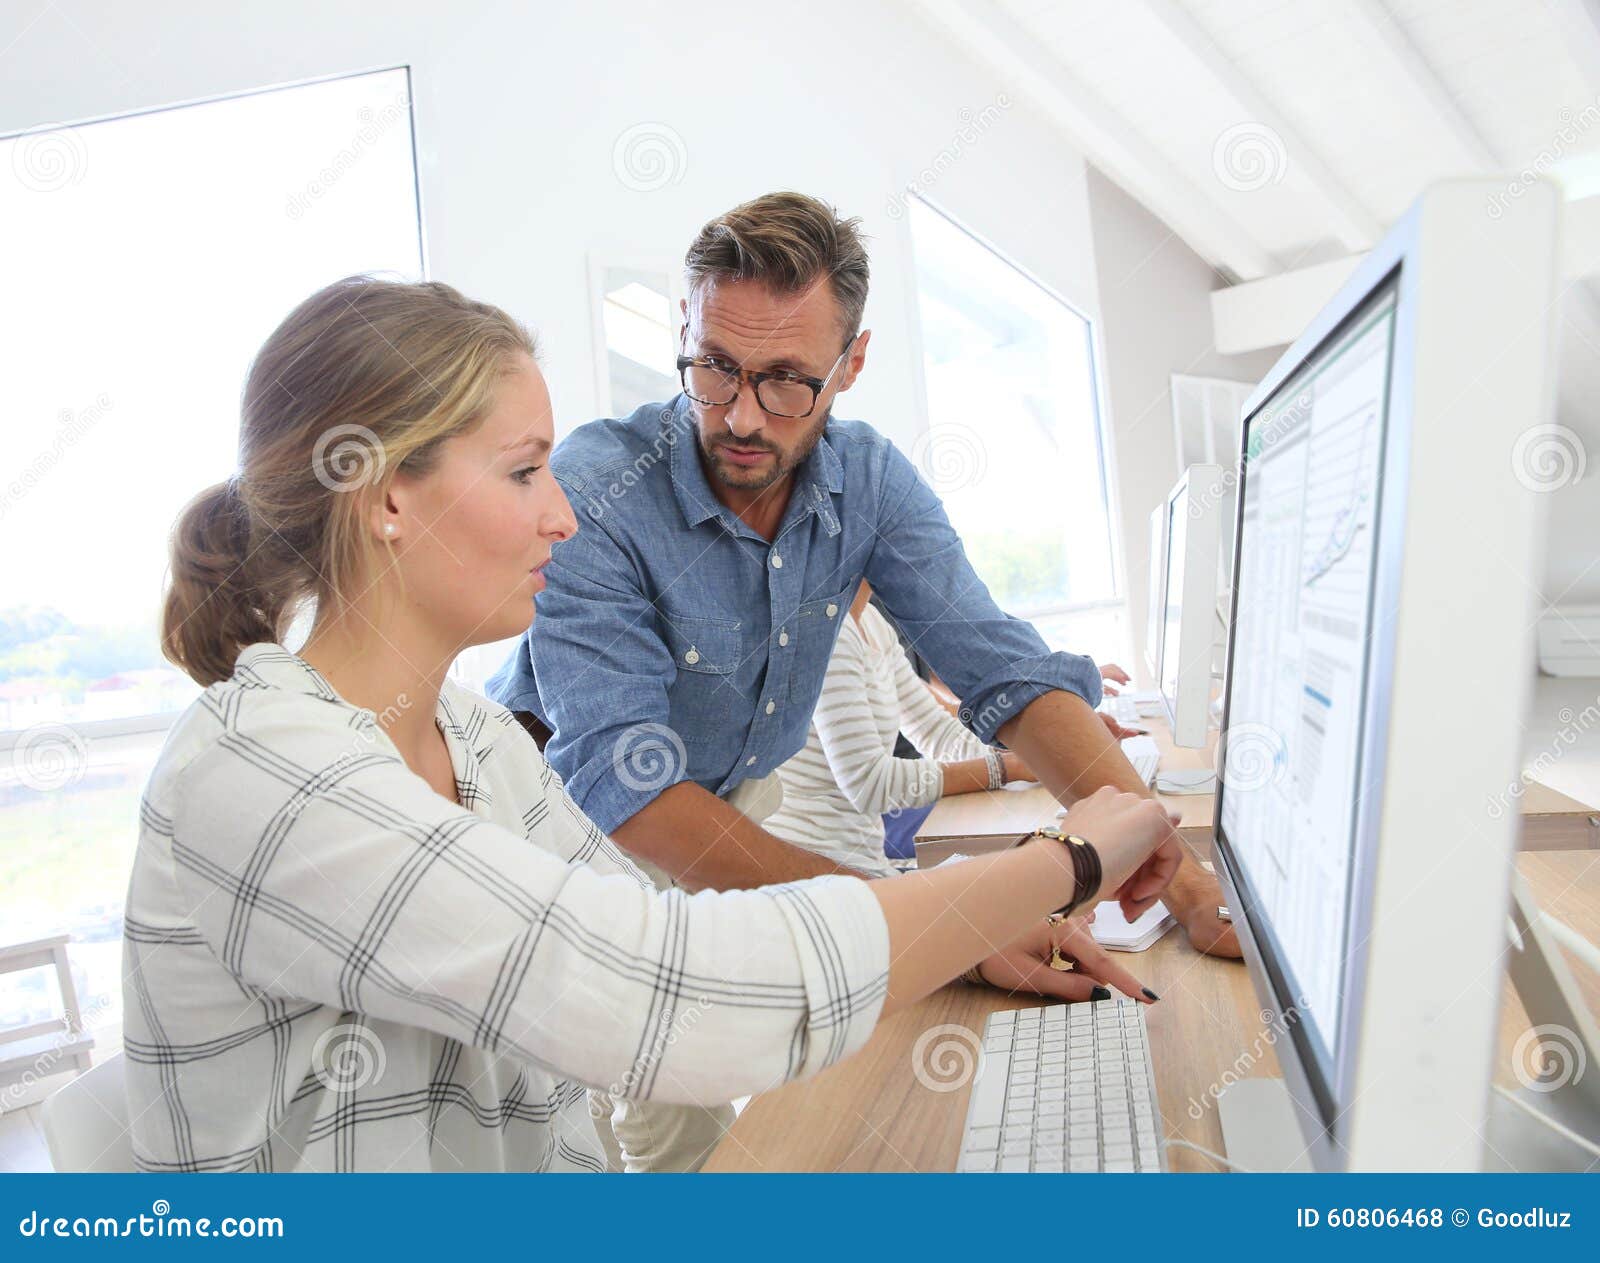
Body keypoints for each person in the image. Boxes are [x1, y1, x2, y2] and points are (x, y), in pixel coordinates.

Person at [124, 275, 1180, 1173]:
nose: (563, 515)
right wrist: (1062, 862)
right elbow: (654, 1000)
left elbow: (673, 935)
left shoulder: (481, 745)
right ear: (385, 496)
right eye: (524, 470)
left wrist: (964, 932)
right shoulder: (260, 766)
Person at [488, 191, 1238, 945]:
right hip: (557, 840)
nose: (742, 416)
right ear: (685, 326)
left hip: (722, 821)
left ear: (852, 363)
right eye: (715, 367)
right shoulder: (596, 488)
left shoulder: (870, 480)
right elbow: (630, 785)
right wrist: (939, 925)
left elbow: (1008, 675)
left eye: (786, 379)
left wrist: (1193, 890)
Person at [765, 579, 1030, 877]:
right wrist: (1006, 768)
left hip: (863, 861)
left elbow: (935, 732)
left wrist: (1033, 752)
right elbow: (869, 784)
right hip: (818, 873)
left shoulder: (871, 621)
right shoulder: (826, 630)